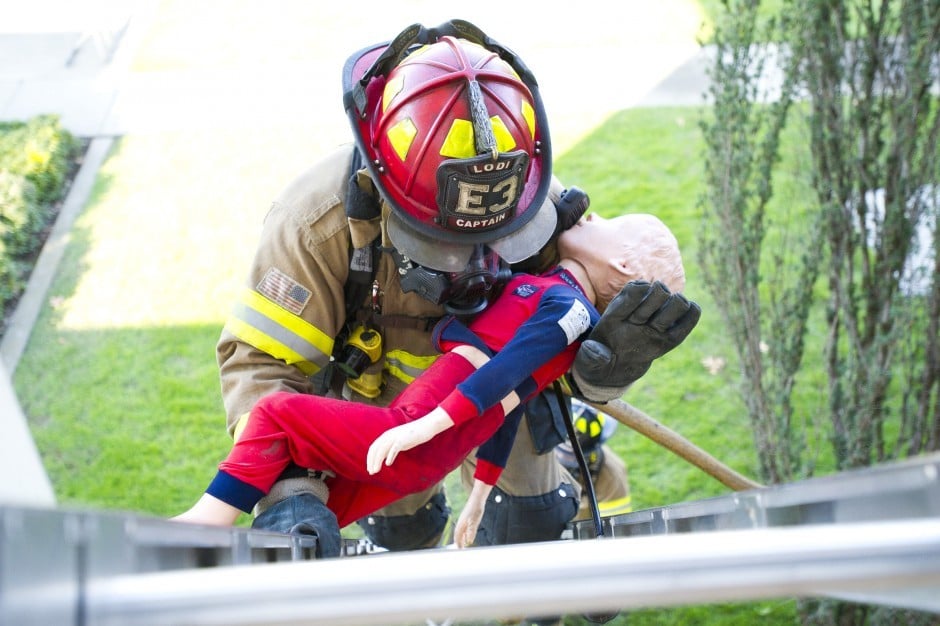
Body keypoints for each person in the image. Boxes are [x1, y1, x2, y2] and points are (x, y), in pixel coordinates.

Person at [213, 19, 701, 559]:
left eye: (502, 239)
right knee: (403, 534)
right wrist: (292, 495)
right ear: (384, 190)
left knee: (529, 525)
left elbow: (570, 330)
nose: (471, 264)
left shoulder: (541, 205)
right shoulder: (316, 223)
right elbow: (262, 365)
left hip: (501, 401)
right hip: (387, 413)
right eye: (437, 243)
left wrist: (604, 373)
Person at [174, 212, 691, 550]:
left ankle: (205, 523)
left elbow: (502, 376)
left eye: (608, 222)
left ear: (619, 262)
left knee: (274, 415)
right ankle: (245, 570)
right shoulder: (561, 303)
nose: (591, 214)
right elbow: (512, 403)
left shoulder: (564, 306)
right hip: (421, 459)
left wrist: (422, 425)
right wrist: (480, 493)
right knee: (311, 533)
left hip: (415, 431)